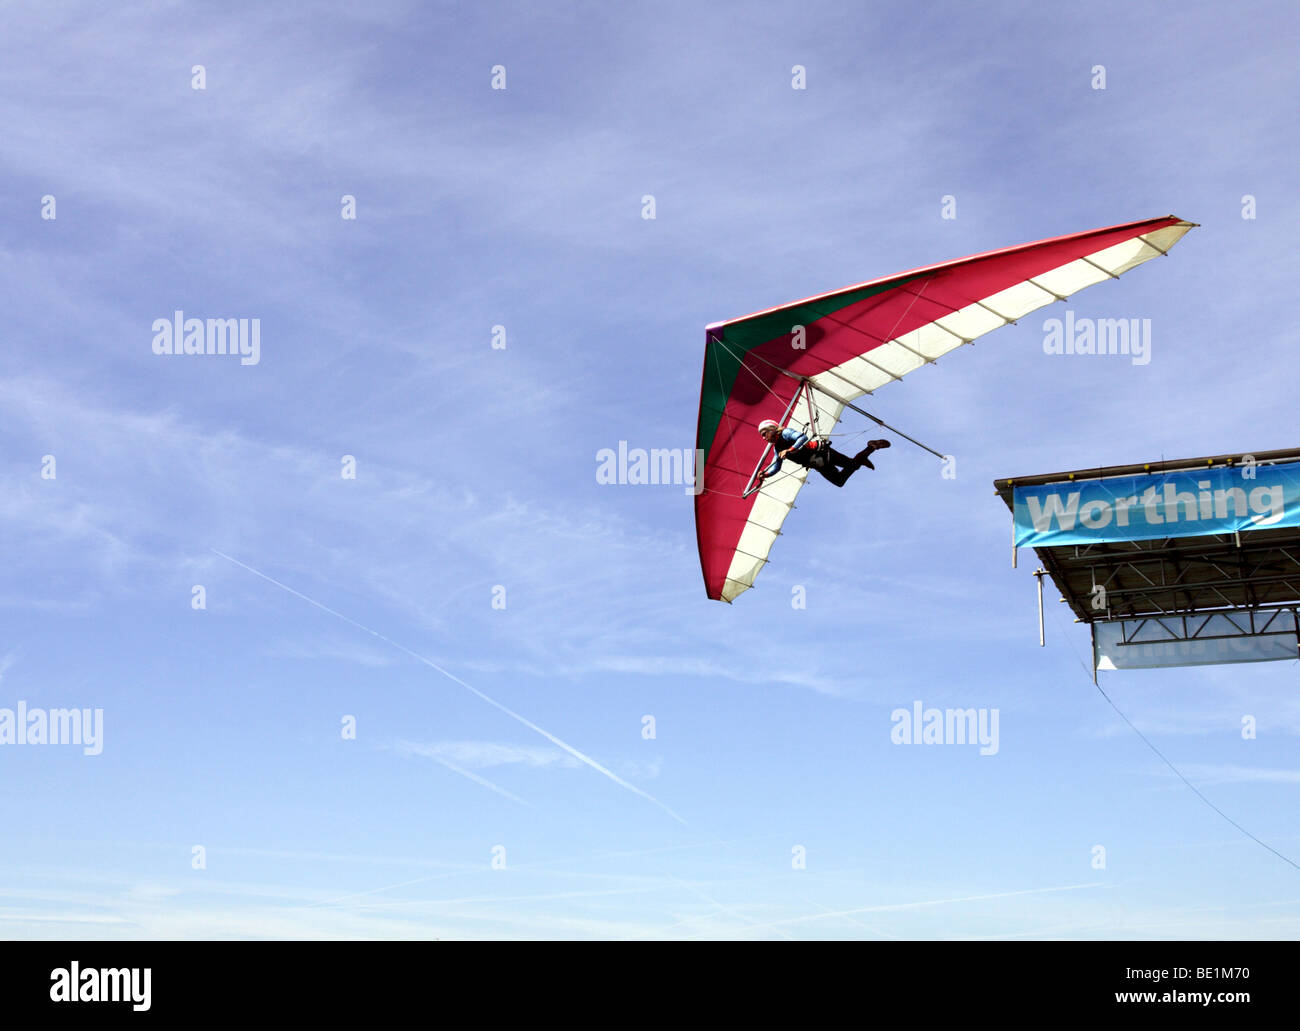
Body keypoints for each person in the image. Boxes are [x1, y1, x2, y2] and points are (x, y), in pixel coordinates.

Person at [753, 419, 889, 488]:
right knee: (839, 481)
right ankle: (861, 459)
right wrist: (765, 474)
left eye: (765, 434)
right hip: (818, 464)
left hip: (823, 453)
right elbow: (777, 466)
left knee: (853, 465)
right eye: (762, 437)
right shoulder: (777, 449)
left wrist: (790, 450)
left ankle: (871, 447)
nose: (764, 438)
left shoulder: (785, 433)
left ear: (772, 429)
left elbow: (802, 438)